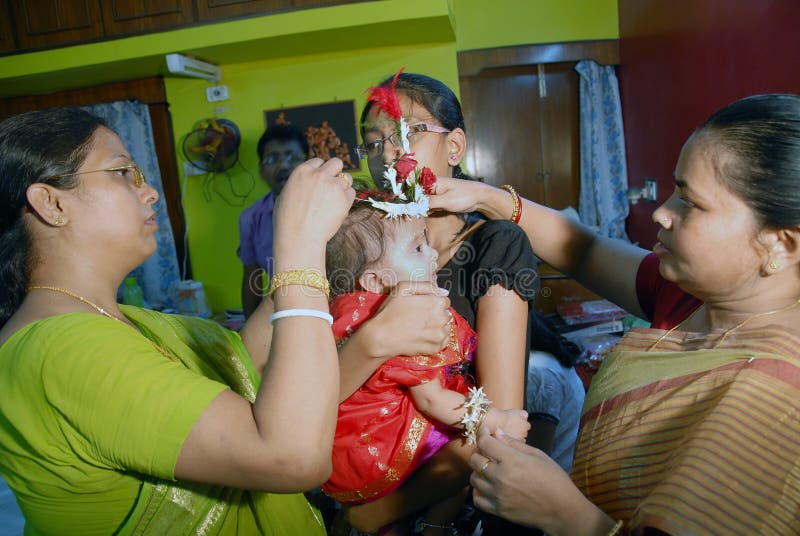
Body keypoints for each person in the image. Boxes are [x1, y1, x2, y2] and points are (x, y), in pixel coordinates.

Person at [428, 93, 800, 535]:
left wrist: (570, 517)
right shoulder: (688, 296)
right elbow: (584, 250)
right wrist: (484, 197)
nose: (662, 213)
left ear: (781, 244)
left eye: (690, 202)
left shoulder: (777, 396)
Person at [0, 107, 359, 535]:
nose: (150, 192)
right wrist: (301, 246)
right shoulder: (60, 349)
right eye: (122, 173)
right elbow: (291, 455)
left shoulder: (114, 319)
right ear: (52, 202)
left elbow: (244, 360)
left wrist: (329, 239)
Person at [338, 70, 540, 535]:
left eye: (408, 133)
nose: (389, 153)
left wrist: (373, 517)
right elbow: (321, 395)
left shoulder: (496, 245)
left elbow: (497, 430)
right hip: (361, 475)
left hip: (460, 498)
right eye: (374, 143)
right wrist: (371, 342)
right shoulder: (357, 247)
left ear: (454, 147)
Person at [323, 203, 530, 534]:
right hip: (382, 450)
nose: (432, 254)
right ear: (375, 279)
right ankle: (435, 526)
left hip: (350, 447)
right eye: (419, 248)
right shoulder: (405, 318)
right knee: (475, 442)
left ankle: (400, 523)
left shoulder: (349, 307)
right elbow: (432, 400)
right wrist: (495, 419)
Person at [238, 123, 308, 318]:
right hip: (282, 312)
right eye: (272, 159)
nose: (283, 166)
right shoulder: (250, 219)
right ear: (261, 170)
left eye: (292, 157)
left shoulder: (331, 204)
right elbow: (252, 278)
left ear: (307, 163)